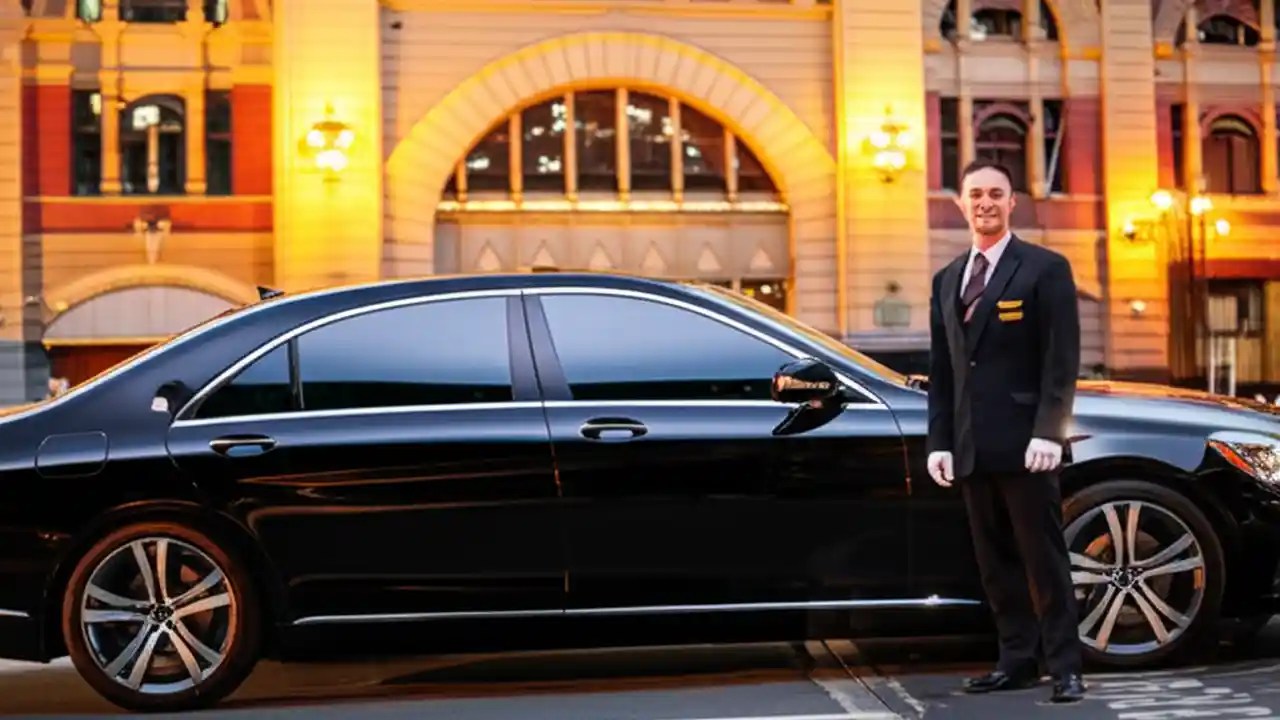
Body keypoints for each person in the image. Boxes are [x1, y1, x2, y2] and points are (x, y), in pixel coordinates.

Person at [925, 159, 1085, 704]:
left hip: (1027, 446)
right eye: (975, 194)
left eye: (996, 193)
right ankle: (1017, 661)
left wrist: (1049, 431)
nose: (985, 203)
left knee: (1044, 560)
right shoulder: (947, 280)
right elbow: (943, 370)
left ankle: (1065, 666)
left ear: (1012, 202)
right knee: (995, 565)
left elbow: (1061, 362)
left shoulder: (1045, 269)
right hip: (970, 447)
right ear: (961, 203)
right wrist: (938, 441)